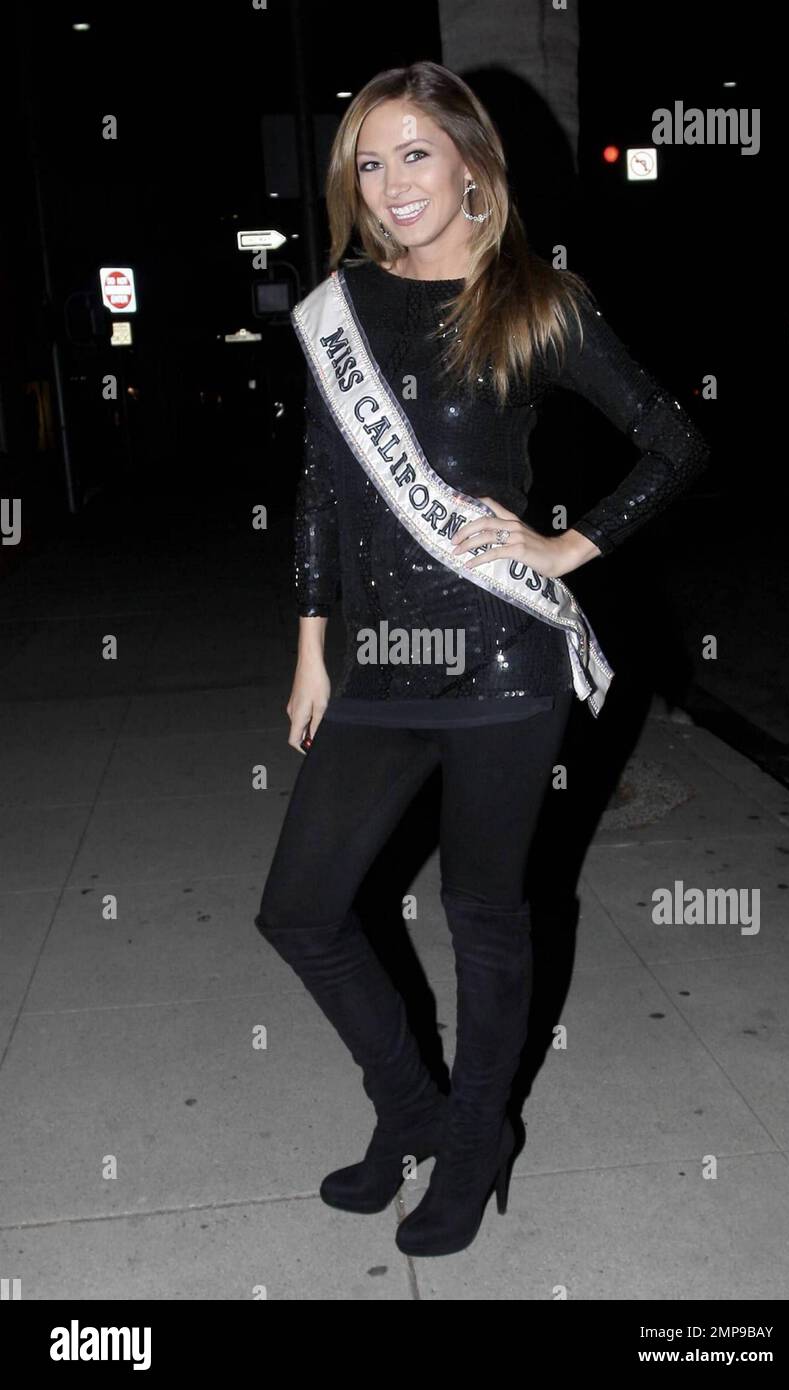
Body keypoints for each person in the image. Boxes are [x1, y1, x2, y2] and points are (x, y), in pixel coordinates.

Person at [254, 59, 710, 1258]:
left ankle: (474, 1138)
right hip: (386, 662)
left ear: (469, 162)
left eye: (415, 153)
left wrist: (568, 544)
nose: (393, 181)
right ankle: (409, 1105)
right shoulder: (338, 309)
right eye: (369, 159)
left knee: (486, 919)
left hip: (505, 664)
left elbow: (673, 440)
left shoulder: (536, 301)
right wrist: (312, 648)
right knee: (301, 909)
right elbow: (320, 488)